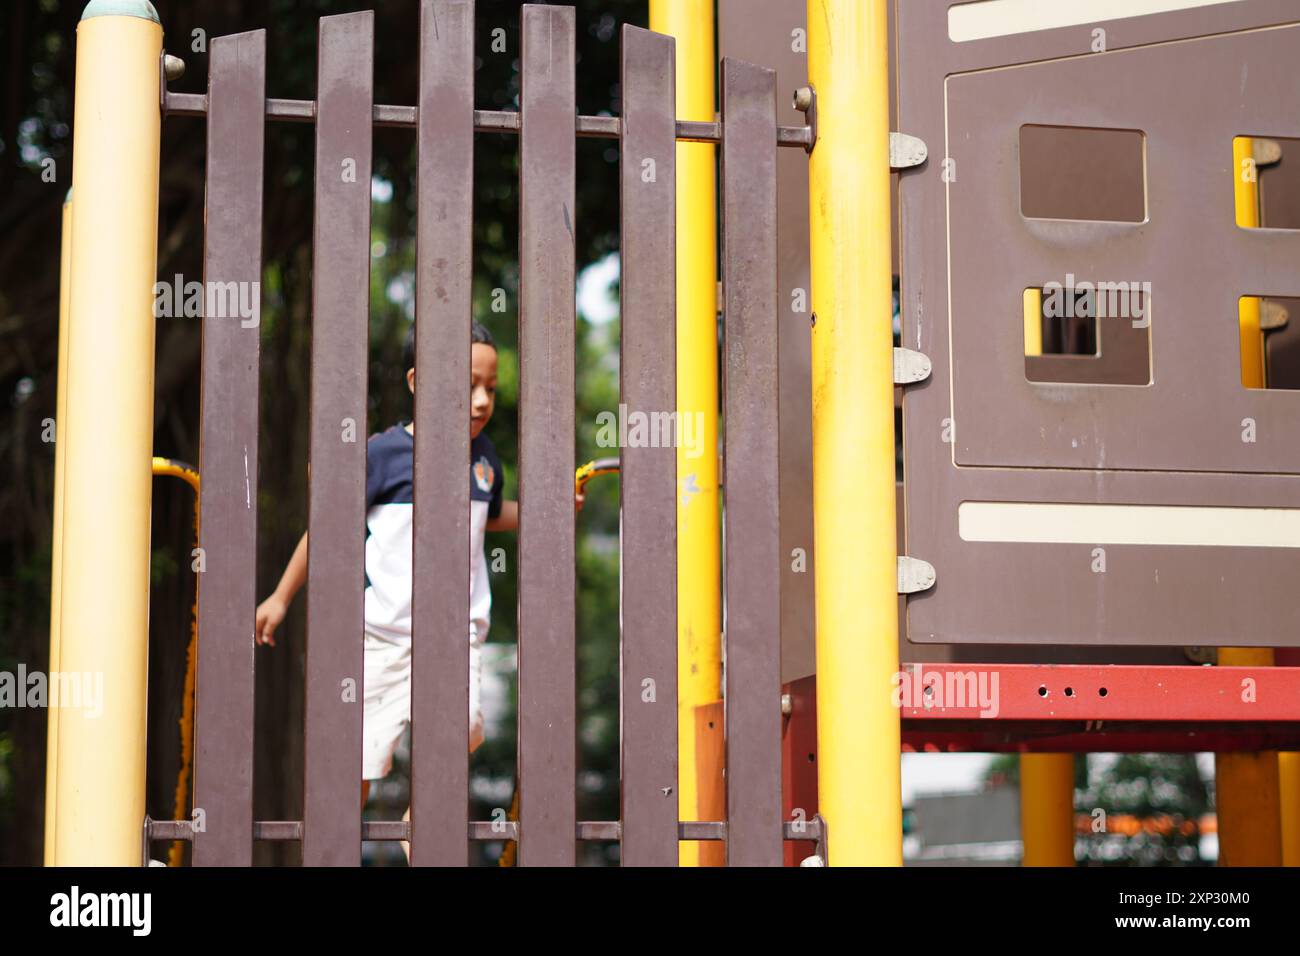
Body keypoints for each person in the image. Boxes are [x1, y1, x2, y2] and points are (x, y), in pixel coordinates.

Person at [254, 321, 525, 853]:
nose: (481, 400)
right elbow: (329, 524)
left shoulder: (485, 458)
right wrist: (281, 596)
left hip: (453, 638)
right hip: (382, 635)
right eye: (468, 384)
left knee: (463, 722)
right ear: (419, 381)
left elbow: (490, 516)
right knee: (359, 754)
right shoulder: (385, 454)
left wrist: (555, 506)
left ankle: (419, 822)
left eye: (490, 388)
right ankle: (333, 845)